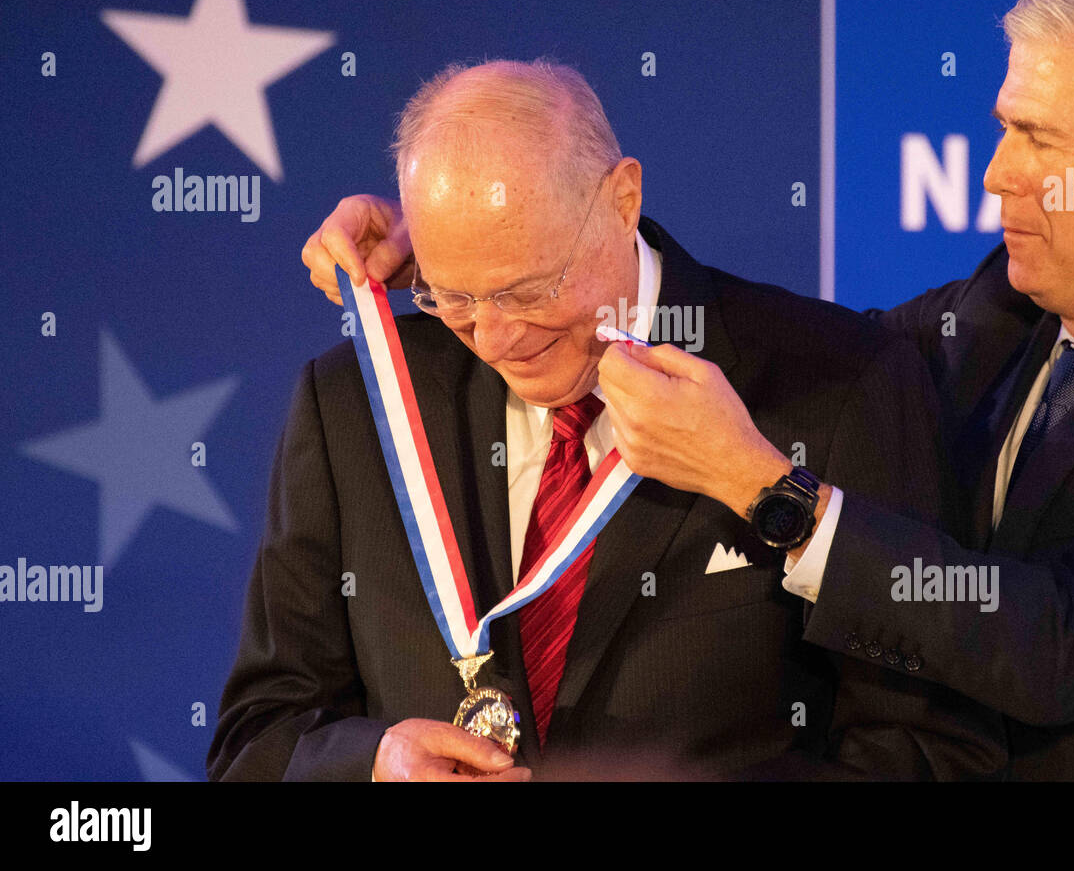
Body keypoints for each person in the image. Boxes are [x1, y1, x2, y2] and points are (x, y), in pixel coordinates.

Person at [305, 0, 1074, 779]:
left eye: (1038, 140)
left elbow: (1066, 646)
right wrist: (470, 249)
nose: (994, 171)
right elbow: (788, 348)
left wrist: (765, 489)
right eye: (1002, 126)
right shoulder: (994, 316)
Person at [212, 58, 1007, 781]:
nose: (494, 338)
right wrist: (372, 765)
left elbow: (933, 757)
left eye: (528, 290)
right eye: (450, 296)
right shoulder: (359, 401)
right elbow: (256, 740)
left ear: (622, 200)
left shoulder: (832, 381)